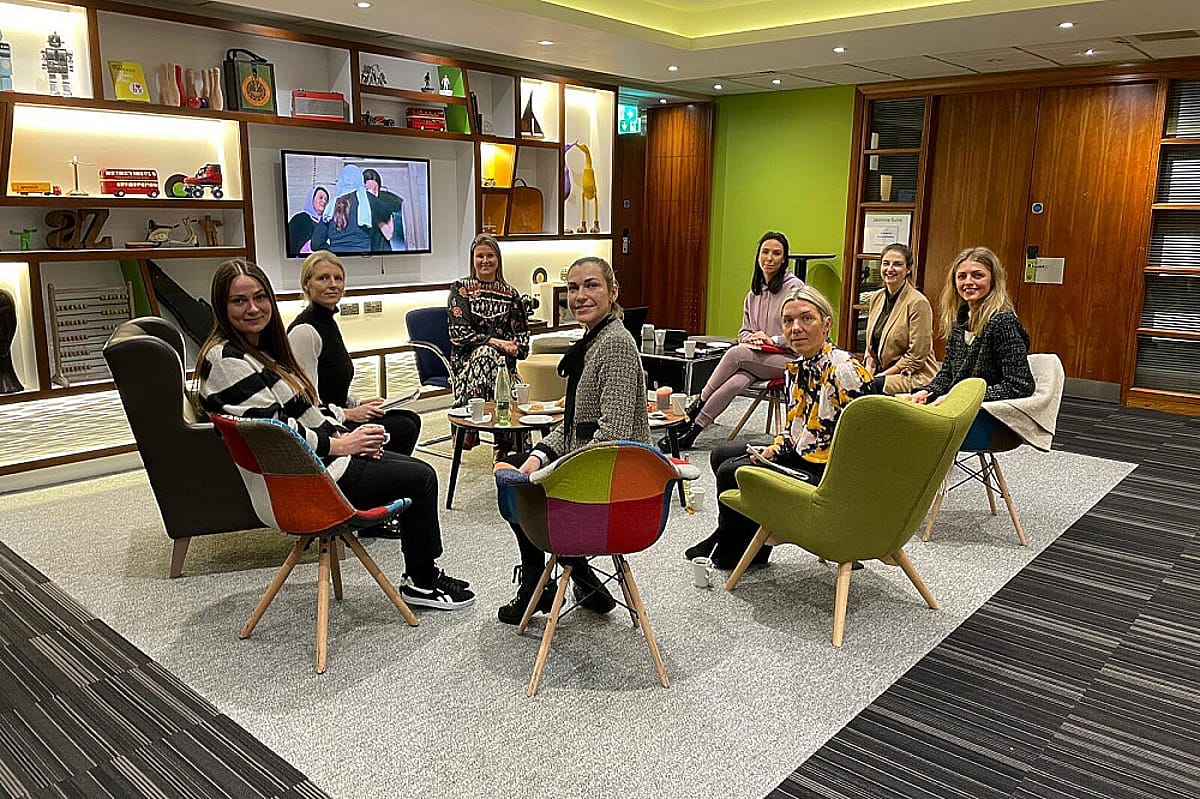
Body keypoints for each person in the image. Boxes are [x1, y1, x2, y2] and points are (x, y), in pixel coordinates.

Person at [196, 259, 473, 609]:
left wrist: (345, 433)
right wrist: (342, 444)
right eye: (239, 301)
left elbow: (304, 410)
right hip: (302, 482)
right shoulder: (227, 359)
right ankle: (422, 581)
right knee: (422, 478)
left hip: (313, 466)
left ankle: (421, 573)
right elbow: (277, 432)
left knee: (404, 453)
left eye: (260, 297)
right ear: (221, 306)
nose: (252, 308)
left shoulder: (260, 351)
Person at [494, 256, 650, 624]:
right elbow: (574, 426)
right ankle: (578, 579)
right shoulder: (595, 340)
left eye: (591, 285)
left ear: (613, 292)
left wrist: (553, 471)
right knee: (516, 470)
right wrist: (538, 456)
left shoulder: (615, 345)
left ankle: (540, 584)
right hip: (596, 472)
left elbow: (610, 439)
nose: (580, 295)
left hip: (613, 484)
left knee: (516, 486)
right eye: (574, 287)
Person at [686, 285, 872, 569]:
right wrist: (774, 450)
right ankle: (742, 542)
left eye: (806, 318)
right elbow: (796, 428)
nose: (796, 328)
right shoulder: (798, 366)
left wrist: (786, 457)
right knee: (721, 453)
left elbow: (861, 443)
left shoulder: (843, 370)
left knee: (731, 470)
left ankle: (730, 549)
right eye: (788, 321)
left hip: (829, 472)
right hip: (806, 453)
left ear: (826, 324)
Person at [662, 231, 804, 450]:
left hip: (790, 360)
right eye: (765, 252)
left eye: (776, 253)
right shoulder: (753, 294)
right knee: (738, 379)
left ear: (784, 259)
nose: (770, 258)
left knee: (736, 354)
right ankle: (693, 431)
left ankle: (696, 405)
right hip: (757, 358)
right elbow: (743, 332)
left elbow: (801, 331)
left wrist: (773, 339)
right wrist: (752, 338)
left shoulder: (795, 289)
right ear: (758, 256)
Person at [287, 250, 422, 456]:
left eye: (338, 278)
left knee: (410, 418)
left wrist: (358, 403)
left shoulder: (327, 323)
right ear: (307, 284)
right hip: (324, 427)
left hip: (337, 412)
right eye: (323, 278)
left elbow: (331, 387)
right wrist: (350, 414)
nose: (333, 284)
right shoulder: (304, 332)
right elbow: (306, 405)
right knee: (404, 427)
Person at [909, 246, 1035, 406]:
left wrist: (961, 397)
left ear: (993, 280)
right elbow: (948, 375)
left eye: (977, 275)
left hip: (988, 412)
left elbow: (1020, 385)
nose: (968, 282)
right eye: (962, 276)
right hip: (959, 407)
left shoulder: (1003, 322)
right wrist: (928, 392)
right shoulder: (958, 322)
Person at [447, 235, 530, 449]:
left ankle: (472, 425)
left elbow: (522, 342)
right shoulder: (460, 289)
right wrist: (497, 343)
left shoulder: (511, 294)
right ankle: (503, 445)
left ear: (498, 259)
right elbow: (459, 334)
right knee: (486, 355)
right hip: (467, 364)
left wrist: (513, 348)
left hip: (504, 367)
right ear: (473, 259)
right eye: (480, 256)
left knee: (499, 368)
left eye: (490, 255)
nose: (485, 261)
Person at [863, 243, 939, 395]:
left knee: (871, 387)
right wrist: (866, 373)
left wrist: (878, 377)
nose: (890, 269)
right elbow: (871, 348)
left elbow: (916, 356)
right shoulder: (876, 298)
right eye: (886, 263)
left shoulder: (918, 302)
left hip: (913, 375)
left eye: (897, 264)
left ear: (908, 269)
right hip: (881, 372)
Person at [309, 165, 384, 254]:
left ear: (341, 181)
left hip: (337, 259)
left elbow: (316, 243)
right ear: (360, 180)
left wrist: (332, 250)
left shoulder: (331, 207)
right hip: (363, 258)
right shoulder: (367, 200)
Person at [362, 168, 406, 252]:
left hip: (382, 250)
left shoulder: (384, 206)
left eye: (374, 189)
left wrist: (375, 212)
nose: (372, 193)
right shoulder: (359, 206)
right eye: (368, 189)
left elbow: (388, 235)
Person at [286, 186, 328, 257]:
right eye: (321, 198)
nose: (324, 201)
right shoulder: (299, 219)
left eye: (326, 200)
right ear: (311, 199)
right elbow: (290, 244)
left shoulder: (326, 222)